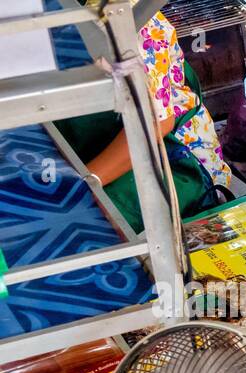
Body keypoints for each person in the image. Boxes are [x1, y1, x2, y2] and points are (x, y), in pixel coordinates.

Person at [57, 12, 233, 232]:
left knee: (87, 224)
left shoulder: (134, 20)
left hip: (176, 158)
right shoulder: (48, 12)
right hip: (101, 140)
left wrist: (78, 186)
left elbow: (154, 125)